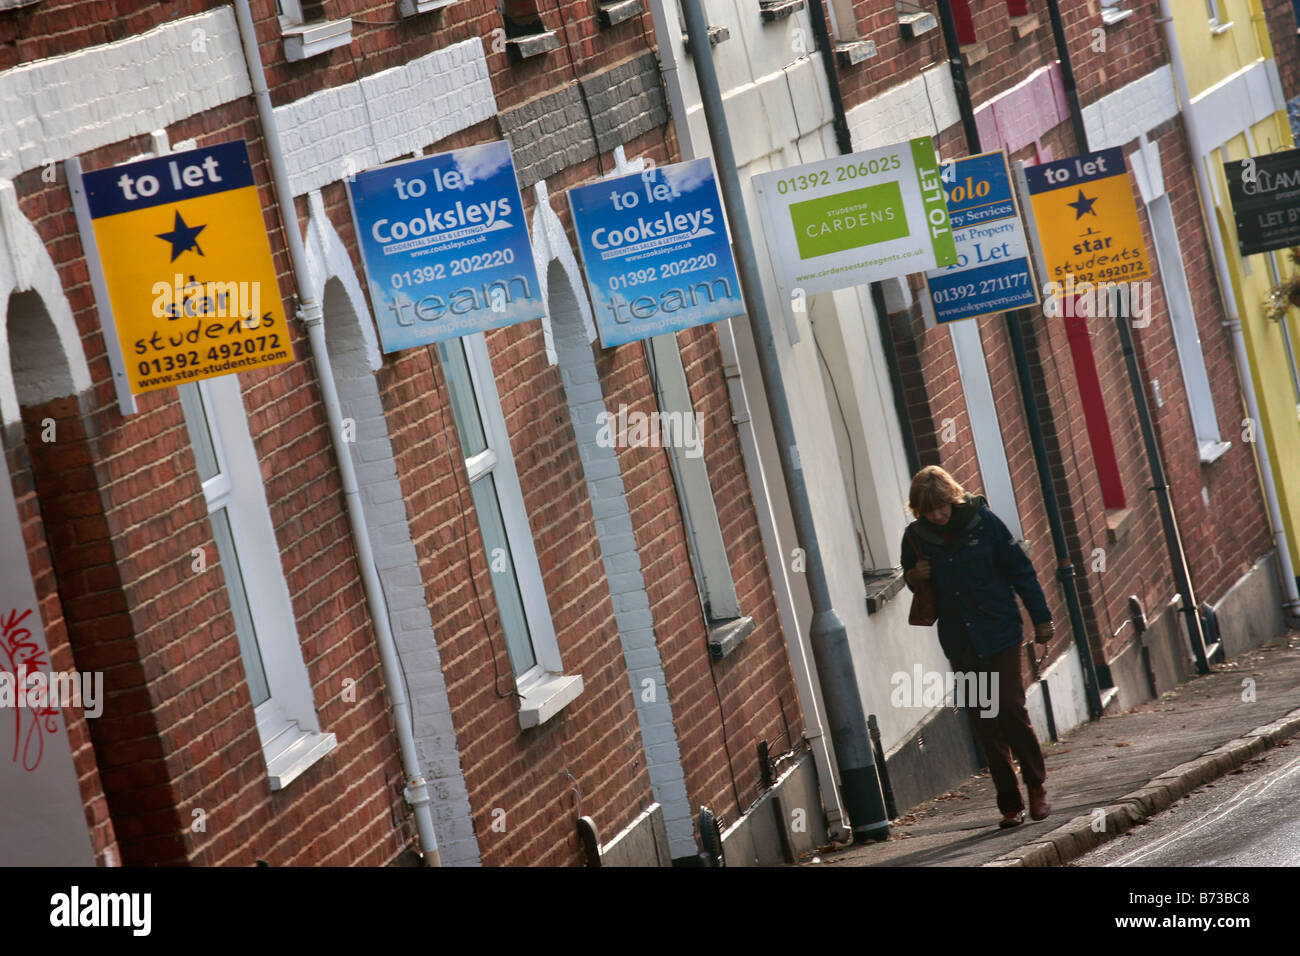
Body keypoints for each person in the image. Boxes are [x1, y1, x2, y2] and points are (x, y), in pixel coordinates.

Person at [899, 465, 1055, 828]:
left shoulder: (983, 523)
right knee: (985, 719)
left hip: (999, 629)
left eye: (941, 508)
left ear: (952, 500)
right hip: (959, 638)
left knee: (1010, 707)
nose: (937, 516)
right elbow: (914, 582)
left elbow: (1020, 570)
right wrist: (912, 576)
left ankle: (1036, 785)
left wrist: (1041, 617)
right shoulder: (916, 537)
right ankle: (1009, 803)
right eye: (928, 511)